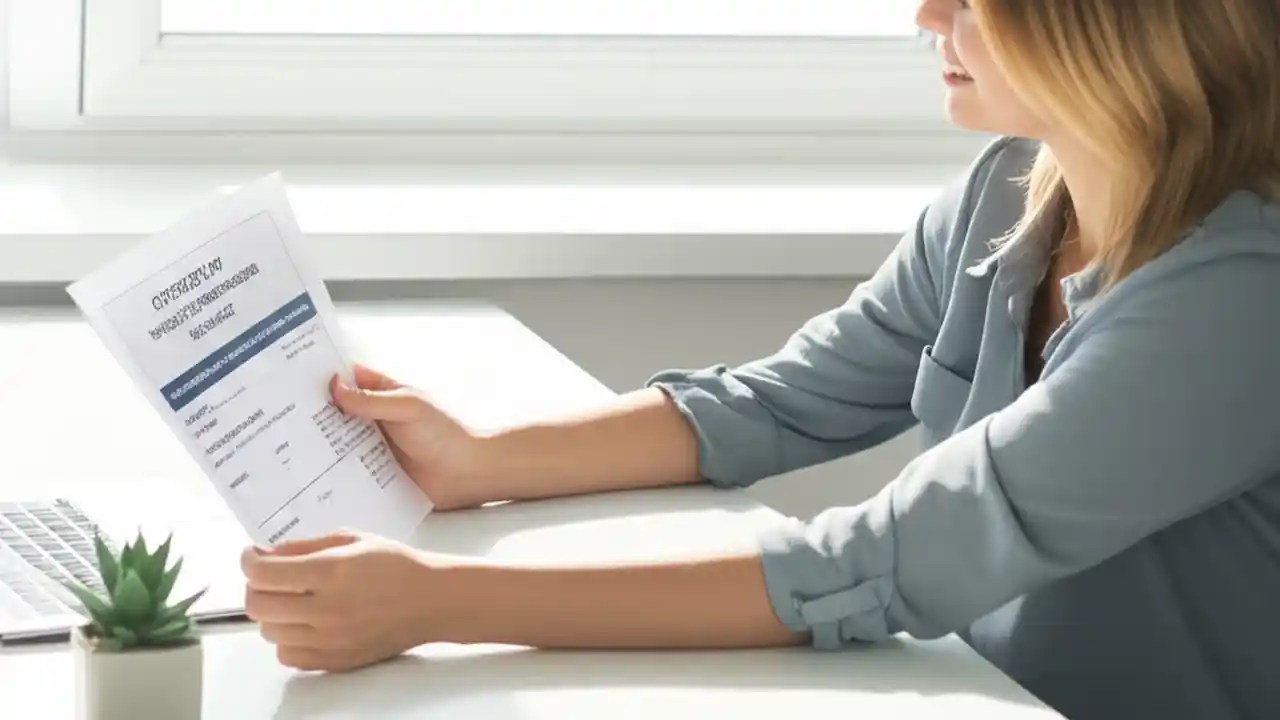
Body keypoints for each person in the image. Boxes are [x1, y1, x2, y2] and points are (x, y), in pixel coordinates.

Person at [239, 1, 1280, 718]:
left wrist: (440, 604)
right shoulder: (1007, 190)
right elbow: (782, 402)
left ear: (1111, 26)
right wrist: (479, 458)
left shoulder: (1239, 300)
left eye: (972, 1)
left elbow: (884, 563)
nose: (925, 15)